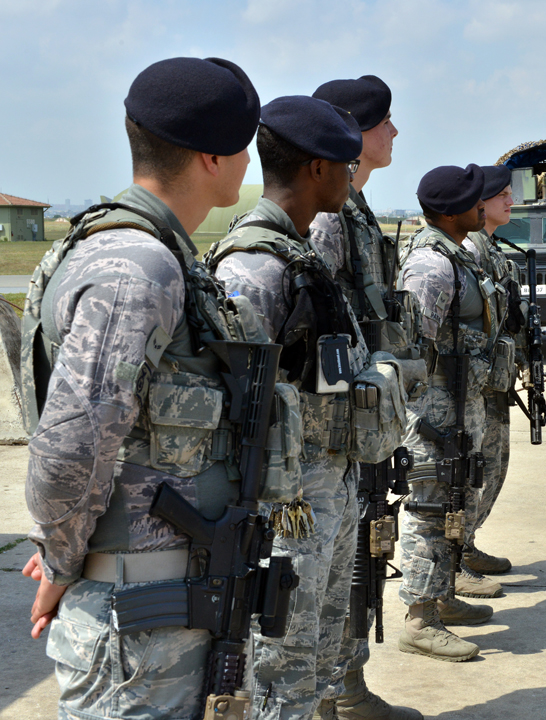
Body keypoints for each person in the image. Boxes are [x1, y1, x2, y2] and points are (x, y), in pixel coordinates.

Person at [20, 57, 262, 719]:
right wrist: (60, 562)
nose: (251, 162)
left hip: (167, 608)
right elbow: (71, 447)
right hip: (134, 622)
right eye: (244, 146)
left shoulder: (163, 253)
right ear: (213, 157)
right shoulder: (138, 267)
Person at [206, 95, 416, 719]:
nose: (353, 178)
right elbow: (234, 406)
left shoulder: (298, 254)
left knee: (318, 659)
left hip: (329, 481)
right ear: (318, 168)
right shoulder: (255, 266)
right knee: (281, 666)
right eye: (345, 166)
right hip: (287, 504)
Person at [306, 76, 425, 719]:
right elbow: (319, 326)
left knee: (360, 558)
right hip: (334, 424)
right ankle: (333, 696)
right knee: (334, 571)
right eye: (384, 122)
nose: (394, 132)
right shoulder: (330, 219)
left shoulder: (356, 210)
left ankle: (345, 688)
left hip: (363, 418)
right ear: (351, 132)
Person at [396, 164, 507, 661]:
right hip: (434, 412)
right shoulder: (431, 266)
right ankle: (419, 619)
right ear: (447, 211)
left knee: (453, 504)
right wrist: (419, 415)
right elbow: (409, 347)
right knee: (428, 510)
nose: (481, 207)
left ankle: (442, 597)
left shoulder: (457, 256)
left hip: (461, 404)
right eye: (472, 201)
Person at [459, 165, 524, 594]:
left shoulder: (492, 248)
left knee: (494, 466)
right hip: (477, 385)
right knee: (473, 471)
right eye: (502, 195)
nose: (510, 201)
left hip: (495, 381)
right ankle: (454, 554)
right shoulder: (471, 249)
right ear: (480, 201)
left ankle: (466, 543)